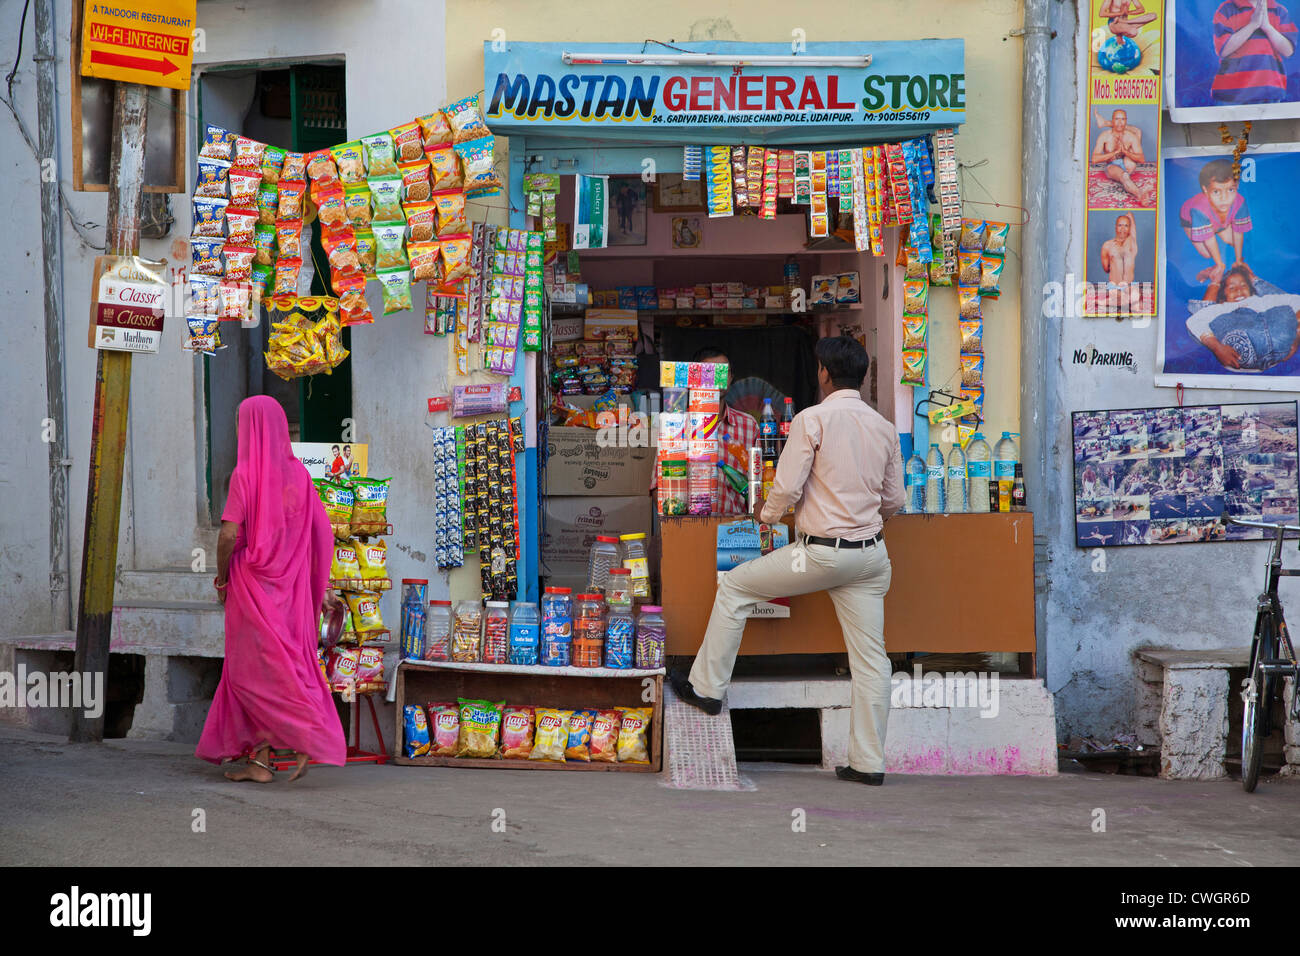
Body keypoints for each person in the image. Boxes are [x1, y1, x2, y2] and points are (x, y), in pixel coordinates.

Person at [669, 336, 904, 786]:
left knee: (735, 586)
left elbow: (788, 486)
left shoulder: (812, 420)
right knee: (872, 661)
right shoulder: (884, 427)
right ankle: (868, 764)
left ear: (823, 373)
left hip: (820, 554)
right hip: (872, 558)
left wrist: (767, 518)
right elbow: (893, 500)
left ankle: (706, 688)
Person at [197, 396, 348, 783]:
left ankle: (304, 736)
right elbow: (321, 532)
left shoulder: (244, 475)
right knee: (268, 669)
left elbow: (229, 533)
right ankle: (260, 761)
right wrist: (321, 582)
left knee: (249, 673)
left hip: (252, 587)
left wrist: (223, 578)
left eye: (240, 422)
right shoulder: (299, 476)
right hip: (292, 590)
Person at [1187, 267, 1300, 371]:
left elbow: (1296, 301)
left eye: (1243, 285)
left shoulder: (1260, 301)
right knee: (1206, 316)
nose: (1239, 291)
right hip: (1240, 351)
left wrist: (1296, 334)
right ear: (1223, 295)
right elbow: (1194, 320)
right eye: (1232, 288)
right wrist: (1217, 348)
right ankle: (1216, 282)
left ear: (1251, 290)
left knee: (1286, 308)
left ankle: (1253, 279)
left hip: (1279, 345)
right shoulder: (1222, 307)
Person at [694, 346, 760, 516]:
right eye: (709, 372)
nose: (717, 378)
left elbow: (760, 484)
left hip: (736, 530)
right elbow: (659, 485)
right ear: (695, 378)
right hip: (689, 528)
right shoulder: (678, 425)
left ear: (731, 377)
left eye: (723, 372)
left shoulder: (749, 425)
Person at [1179, 159, 1252, 285]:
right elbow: (1208, 238)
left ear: (1237, 186)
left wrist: (1238, 260)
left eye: (1230, 190)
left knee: (1235, 241)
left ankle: (1219, 227)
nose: (1224, 198)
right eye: (1216, 192)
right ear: (1206, 191)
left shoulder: (1240, 202)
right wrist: (1219, 264)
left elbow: (1239, 232)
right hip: (1191, 220)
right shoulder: (1198, 209)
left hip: (1219, 222)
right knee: (1207, 254)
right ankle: (1211, 268)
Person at [1210, 0, 1297, 105]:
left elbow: (1288, 51)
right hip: (1231, 93)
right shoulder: (1226, 9)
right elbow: (1223, 50)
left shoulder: (1278, 10)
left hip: (1269, 92)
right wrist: (1253, 25)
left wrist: (1267, 27)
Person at [1091, 109, 1153, 205]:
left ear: (1126, 120)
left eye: (1123, 119)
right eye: (1117, 119)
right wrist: (1114, 153)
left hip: (1128, 163)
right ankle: (1139, 194)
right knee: (1124, 176)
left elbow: (1141, 159)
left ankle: (1104, 123)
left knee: (1137, 133)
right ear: (1112, 120)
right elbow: (1094, 159)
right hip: (1112, 166)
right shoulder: (1105, 136)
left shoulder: (1130, 136)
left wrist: (1125, 152)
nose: (1120, 122)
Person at [1100, 213, 1138, 287]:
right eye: (1120, 225)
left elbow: (1130, 215)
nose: (1123, 229)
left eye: (1126, 226)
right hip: (1114, 287)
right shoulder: (1107, 246)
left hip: (1129, 287)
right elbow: (1106, 269)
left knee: (1135, 294)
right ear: (1115, 227)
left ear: (1130, 228)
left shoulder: (1132, 244)